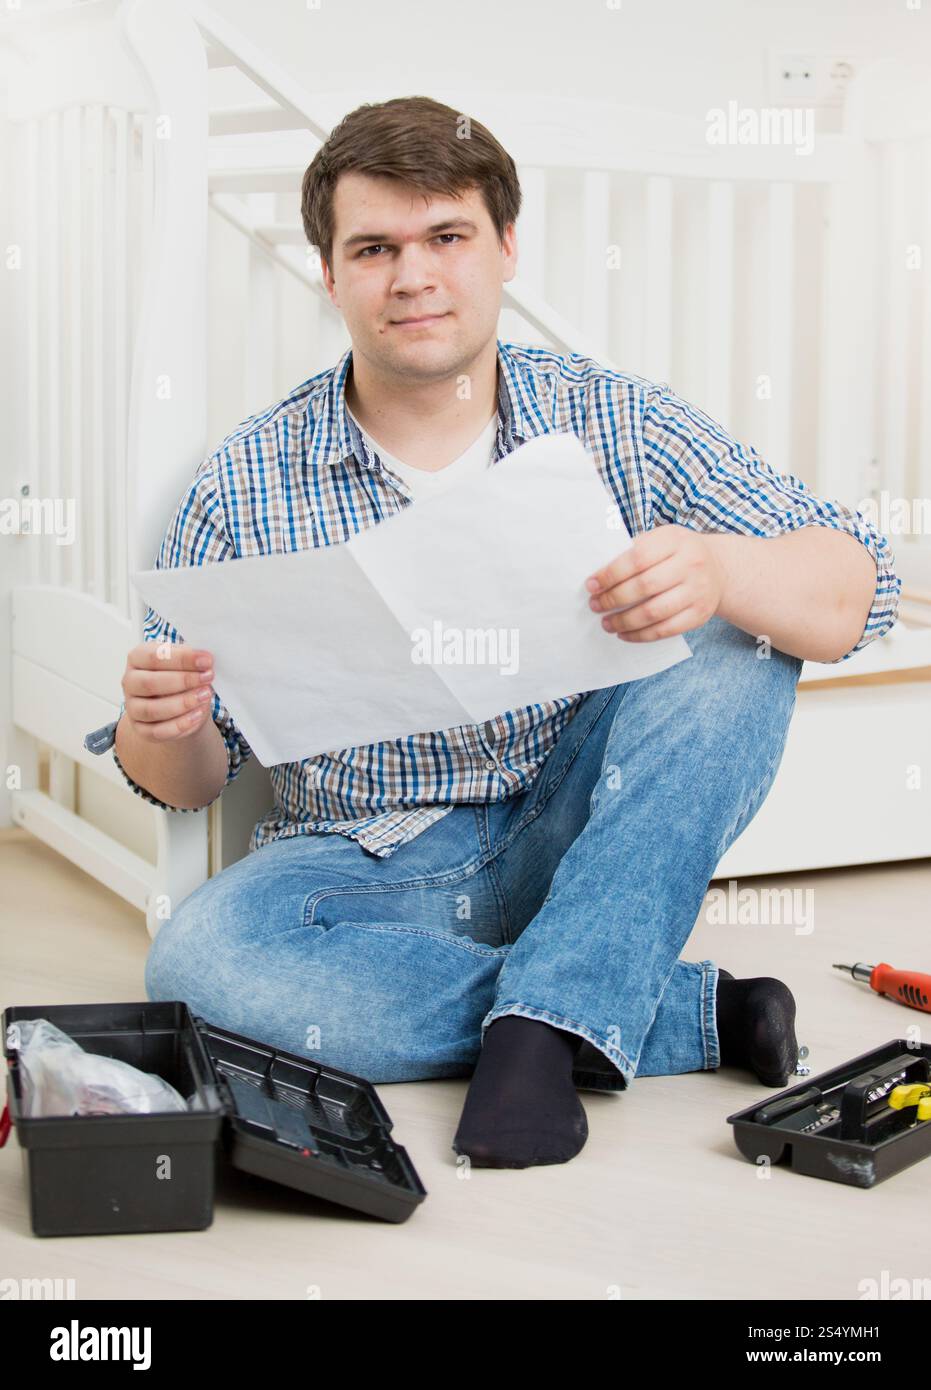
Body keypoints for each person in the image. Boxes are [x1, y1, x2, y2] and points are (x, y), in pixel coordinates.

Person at [88, 96, 900, 1169]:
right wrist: (164, 724)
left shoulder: (617, 421)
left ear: (506, 247)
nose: (412, 276)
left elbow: (855, 587)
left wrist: (717, 568)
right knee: (198, 968)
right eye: (373, 248)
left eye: (446, 238)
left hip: (576, 829)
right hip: (369, 867)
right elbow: (188, 779)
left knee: (738, 634)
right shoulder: (240, 483)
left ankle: (540, 1027)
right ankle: (667, 1009)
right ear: (329, 275)